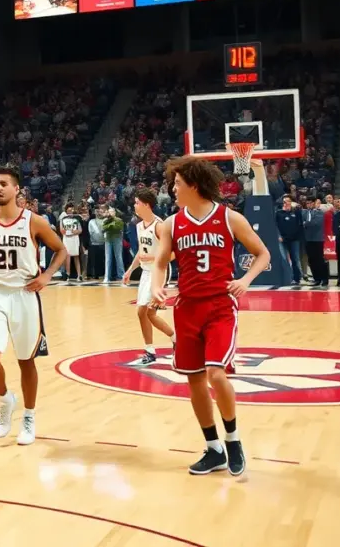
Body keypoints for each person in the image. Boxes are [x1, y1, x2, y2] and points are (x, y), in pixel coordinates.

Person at [150, 156, 270, 477]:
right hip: (186, 307)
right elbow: (161, 262)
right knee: (194, 380)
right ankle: (213, 448)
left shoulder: (230, 218)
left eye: (177, 184)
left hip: (219, 306)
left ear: (193, 184)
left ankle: (233, 440)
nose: (172, 189)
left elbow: (263, 253)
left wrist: (244, 280)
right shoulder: (171, 224)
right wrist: (157, 287)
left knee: (217, 374)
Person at [0, 167, 66, 445]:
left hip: (25, 295)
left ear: (16, 190)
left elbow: (60, 249)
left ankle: (29, 415)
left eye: (3, 184)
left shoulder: (33, 221)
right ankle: (5, 399)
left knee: (26, 361)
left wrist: (47, 276)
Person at [121, 188, 175, 365]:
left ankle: (160, 346)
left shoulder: (159, 226)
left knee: (146, 312)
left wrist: (153, 257)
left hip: (159, 271)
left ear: (146, 205)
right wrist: (129, 270)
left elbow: (173, 253)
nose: (134, 205)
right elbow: (140, 253)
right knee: (144, 314)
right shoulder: (138, 226)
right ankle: (170, 342)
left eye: (137, 202)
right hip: (145, 272)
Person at [59, 205, 82, 281]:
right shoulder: (62, 220)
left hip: (75, 238)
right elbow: (61, 230)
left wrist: (75, 231)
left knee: (76, 256)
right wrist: (66, 232)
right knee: (67, 256)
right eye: (68, 211)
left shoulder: (76, 220)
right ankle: (67, 274)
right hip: (66, 238)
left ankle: (79, 275)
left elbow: (80, 230)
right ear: (66, 212)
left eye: (71, 211)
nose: (70, 212)